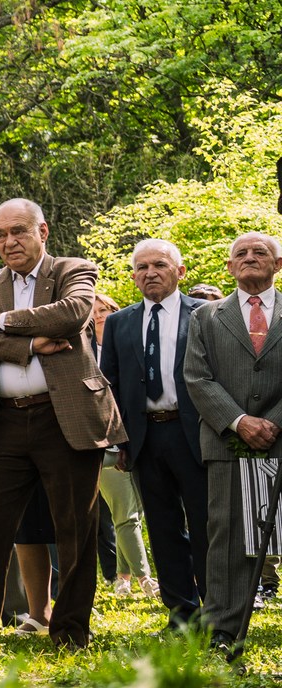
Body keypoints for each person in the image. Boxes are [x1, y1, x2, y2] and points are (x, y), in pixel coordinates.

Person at [0, 199, 125, 649]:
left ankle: (70, 631)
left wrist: (5, 323)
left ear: (42, 231)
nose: (8, 242)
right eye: (0, 235)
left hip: (64, 416)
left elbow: (72, 314)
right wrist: (31, 344)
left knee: (76, 528)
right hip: (3, 420)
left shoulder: (73, 269)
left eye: (18, 232)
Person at [182, 232, 282, 656]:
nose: (249, 258)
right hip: (228, 441)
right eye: (240, 253)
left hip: (281, 437)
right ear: (228, 268)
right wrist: (240, 422)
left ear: (278, 264)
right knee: (227, 535)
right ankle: (224, 630)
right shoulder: (205, 317)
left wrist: (273, 423)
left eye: (260, 252)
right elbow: (196, 378)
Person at [100, 240, 207, 629]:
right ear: (133, 276)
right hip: (145, 437)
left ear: (179, 271)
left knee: (205, 524)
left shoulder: (206, 314)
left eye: (159, 265)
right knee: (162, 528)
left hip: (194, 432)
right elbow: (109, 384)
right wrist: (120, 441)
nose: (150, 272)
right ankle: (182, 614)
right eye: (141, 267)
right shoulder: (118, 322)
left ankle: (218, 611)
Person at [92, 292, 153, 599]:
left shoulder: (130, 345)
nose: (100, 314)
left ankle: (122, 577)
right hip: (102, 440)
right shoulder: (84, 349)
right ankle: (146, 578)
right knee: (124, 514)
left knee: (133, 512)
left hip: (137, 436)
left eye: (105, 309)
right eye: (94, 310)